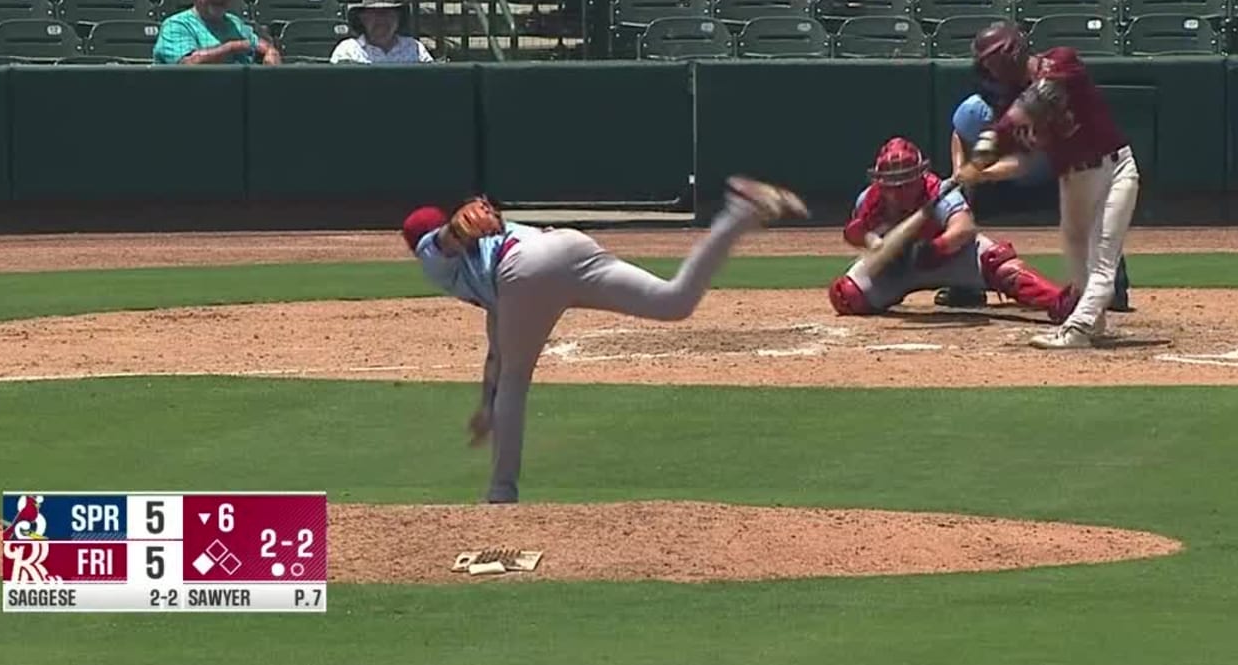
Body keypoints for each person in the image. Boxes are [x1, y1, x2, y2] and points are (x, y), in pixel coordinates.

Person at [404, 176, 809, 504]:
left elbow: (438, 243)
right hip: (567, 245)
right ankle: (740, 213)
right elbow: (498, 341)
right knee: (673, 301)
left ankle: (501, 494)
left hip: (524, 268)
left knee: (516, 379)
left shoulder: (435, 261)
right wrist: (485, 405)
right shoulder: (481, 270)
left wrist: (448, 234)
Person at [956, 21, 1140, 349]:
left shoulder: (1061, 61)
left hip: (1115, 170)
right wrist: (980, 173)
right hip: (1072, 178)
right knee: (1076, 258)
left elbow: (1034, 102)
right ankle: (1094, 323)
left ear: (1008, 55)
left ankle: (1078, 330)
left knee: (1102, 257)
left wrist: (990, 141)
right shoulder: (1010, 102)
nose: (990, 73)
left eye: (992, 64)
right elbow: (1023, 161)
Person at [827, 136, 1074, 319]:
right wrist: (863, 238)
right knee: (846, 295)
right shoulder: (869, 201)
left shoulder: (939, 192)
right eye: (891, 184)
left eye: (905, 183)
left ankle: (1061, 301)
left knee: (998, 262)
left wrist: (937, 248)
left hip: (950, 258)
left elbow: (964, 228)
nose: (897, 191)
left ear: (920, 176)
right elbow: (857, 237)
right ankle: (960, 290)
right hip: (896, 267)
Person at [942, 83, 1133, 312]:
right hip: (1001, 183)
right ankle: (964, 286)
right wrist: (959, 169)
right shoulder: (976, 107)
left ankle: (1114, 287)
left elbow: (1025, 163)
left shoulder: (1040, 111)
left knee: (1091, 203)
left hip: (1052, 175)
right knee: (956, 199)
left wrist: (982, 173)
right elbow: (959, 134)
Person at [152, 0, 282, 65]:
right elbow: (188, 63)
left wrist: (270, 51)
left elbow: (255, 43)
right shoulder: (177, 25)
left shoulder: (234, 22)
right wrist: (232, 47)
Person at [329, 0, 433, 63]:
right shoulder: (348, 50)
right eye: (375, 14)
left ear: (397, 18)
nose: (381, 20)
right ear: (363, 19)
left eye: (387, 14)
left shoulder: (414, 48)